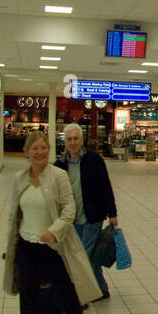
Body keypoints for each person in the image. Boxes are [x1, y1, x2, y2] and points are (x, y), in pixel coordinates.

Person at [3, 131, 102, 314]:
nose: (39, 152)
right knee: (28, 297)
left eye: (43, 148)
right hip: (27, 246)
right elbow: (14, 214)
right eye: (34, 149)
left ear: (49, 150)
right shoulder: (19, 179)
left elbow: (70, 209)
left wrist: (53, 231)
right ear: (26, 153)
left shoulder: (58, 176)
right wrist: (13, 242)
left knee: (66, 291)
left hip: (53, 246)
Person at [55, 123, 118, 299]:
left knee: (82, 254)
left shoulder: (94, 160)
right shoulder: (59, 164)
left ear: (82, 140)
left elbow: (105, 186)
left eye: (76, 138)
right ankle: (101, 289)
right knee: (88, 255)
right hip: (72, 219)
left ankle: (85, 292)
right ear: (65, 142)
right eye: (69, 139)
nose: (73, 142)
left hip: (93, 216)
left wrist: (112, 212)